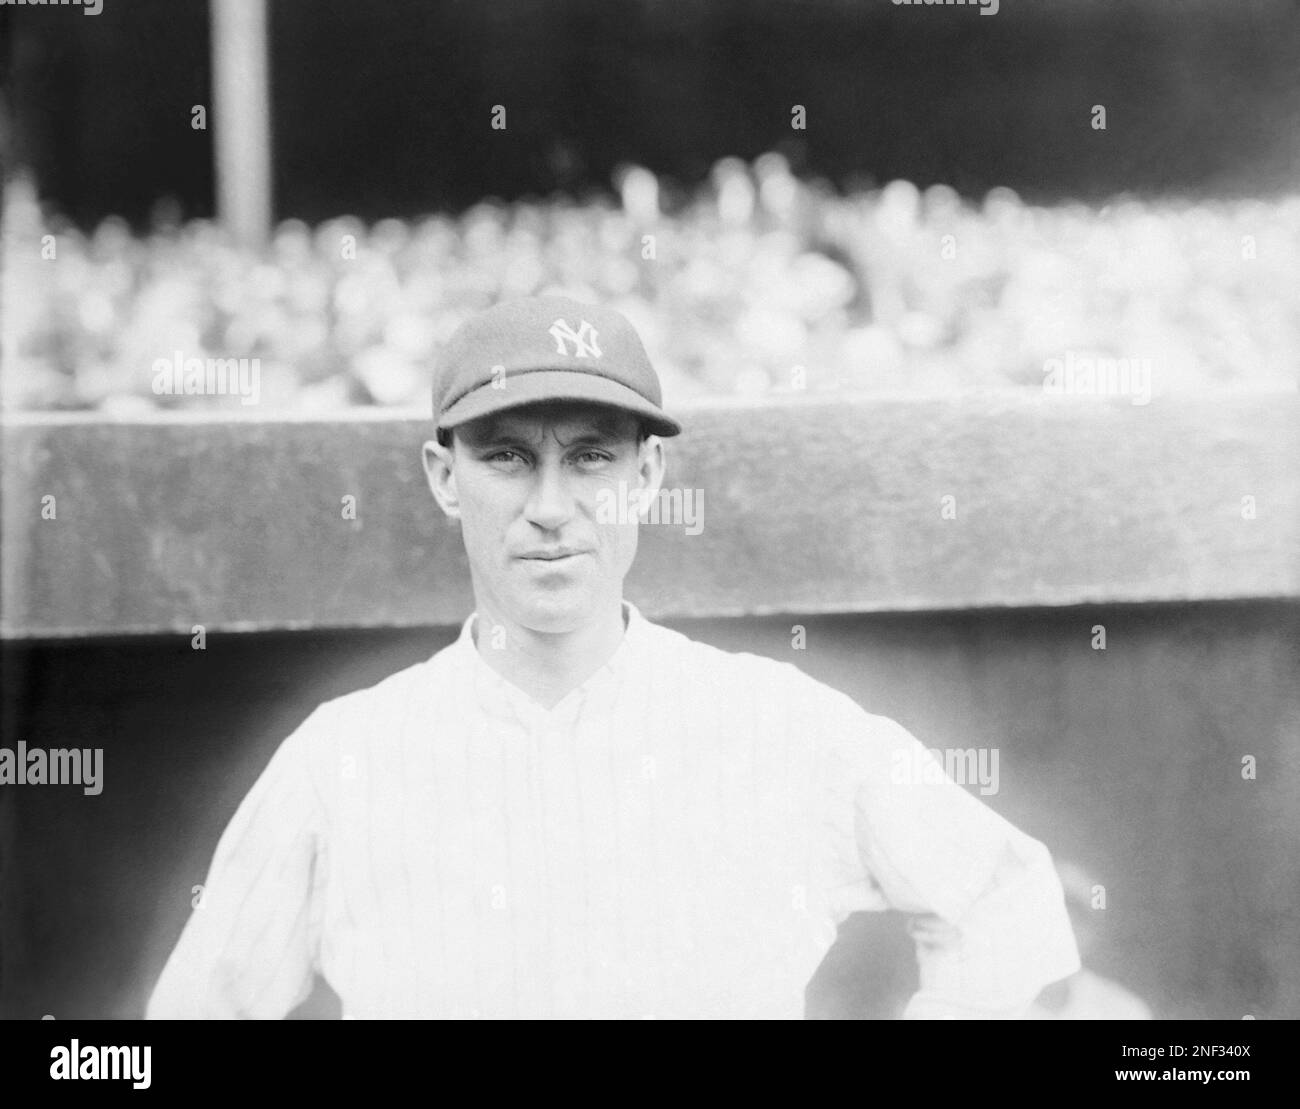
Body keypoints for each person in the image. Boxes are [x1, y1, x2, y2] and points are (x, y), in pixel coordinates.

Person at [147, 295, 1079, 1019]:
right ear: (443, 476)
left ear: (648, 476)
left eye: (591, 457)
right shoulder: (341, 760)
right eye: (508, 458)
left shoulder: (779, 727)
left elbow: (1006, 901)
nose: (552, 505)